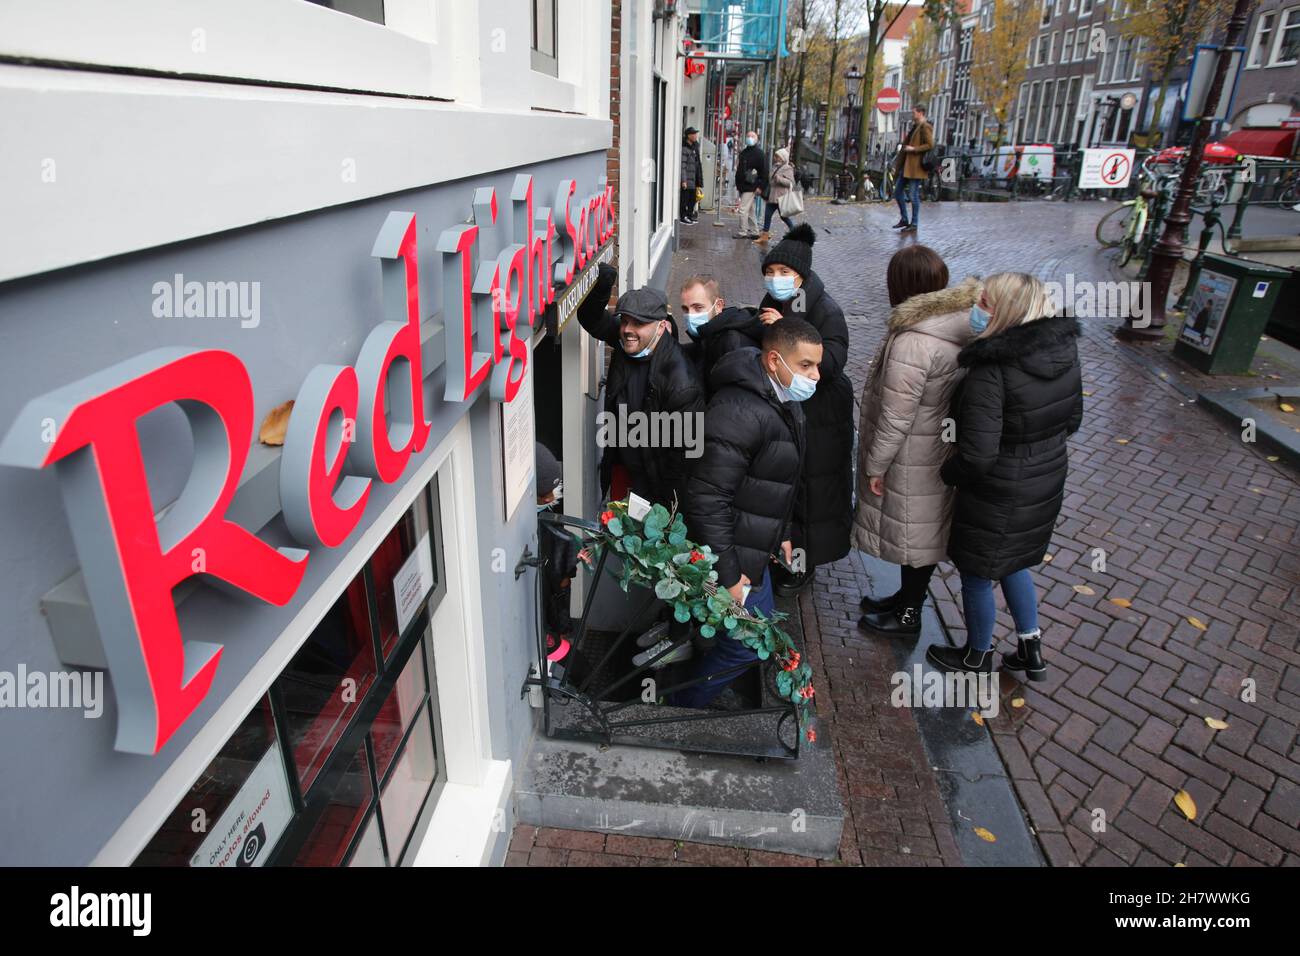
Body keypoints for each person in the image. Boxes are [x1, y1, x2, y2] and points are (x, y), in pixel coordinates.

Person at [927, 273, 1083, 677]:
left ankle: (977, 655)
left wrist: (948, 472)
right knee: (1015, 561)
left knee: (977, 571)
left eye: (984, 303)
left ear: (1004, 313)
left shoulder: (990, 370)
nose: (975, 310)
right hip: (1045, 478)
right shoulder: (1064, 352)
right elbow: (1073, 420)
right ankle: (1031, 647)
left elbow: (978, 455)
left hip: (997, 489)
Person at [674, 318, 820, 707]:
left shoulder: (783, 399)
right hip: (734, 556)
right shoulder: (738, 414)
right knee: (745, 647)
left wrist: (782, 531)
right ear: (774, 361)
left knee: (747, 634)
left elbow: (776, 477)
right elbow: (707, 498)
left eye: (816, 365)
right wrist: (728, 575)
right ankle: (682, 707)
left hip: (752, 548)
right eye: (806, 365)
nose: (815, 375)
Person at [852, 246, 981, 636]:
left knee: (915, 534)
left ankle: (909, 615)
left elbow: (896, 415)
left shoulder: (914, 341)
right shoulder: (952, 324)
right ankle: (905, 600)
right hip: (936, 449)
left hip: (913, 454)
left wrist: (876, 464)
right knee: (919, 530)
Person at [753, 224, 853, 595]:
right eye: (770, 272)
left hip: (820, 417)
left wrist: (789, 330)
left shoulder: (826, 310)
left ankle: (801, 568)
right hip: (785, 410)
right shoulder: (771, 302)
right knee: (787, 491)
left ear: (802, 276)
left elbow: (831, 363)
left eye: (784, 273)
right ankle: (783, 555)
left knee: (811, 495)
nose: (776, 279)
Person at [577, 263, 705, 510]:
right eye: (625, 321)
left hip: (653, 484)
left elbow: (685, 458)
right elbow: (591, 319)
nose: (628, 330)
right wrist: (603, 286)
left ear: (662, 326)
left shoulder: (682, 384)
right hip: (623, 466)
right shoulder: (627, 339)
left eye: (638, 323)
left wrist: (661, 511)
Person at [678, 274, 764, 393]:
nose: (690, 315)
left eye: (698, 307)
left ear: (718, 306)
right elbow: (701, 351)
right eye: (685, 309)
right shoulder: (712, 330)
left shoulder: (732, 343)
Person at [536, 442, 577, 663]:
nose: (551, 498)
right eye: (543, 495)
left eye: (553, 490)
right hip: (538, 623)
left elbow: (563, 581)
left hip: (551, 610)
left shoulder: (556, 529)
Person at [893, 104, 934, 233]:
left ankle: (914, 223)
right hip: (907, 167)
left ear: (921, 113)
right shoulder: (915, 126)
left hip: (915, 168)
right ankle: (904, 219)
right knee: (897, 192)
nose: (912, 114)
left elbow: (930, 144)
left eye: (914, 112)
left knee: (913, 195)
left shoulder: (925, 127)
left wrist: (914, 149)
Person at [755, 147, 797, 245]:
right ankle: (764, 236)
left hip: (781, 198)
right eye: (775, 156)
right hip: (772, 196)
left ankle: (795, 233)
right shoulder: (775, 166)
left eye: (777, 156)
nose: (775, 158)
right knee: (767, 216)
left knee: (784, 217)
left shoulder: (787, 168)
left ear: (782, 158)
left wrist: (779, 179)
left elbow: (791, 183)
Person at [734, 130, 769, 239]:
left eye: (752, 136)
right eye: (748, 135)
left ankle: (742, 231)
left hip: (751, 186)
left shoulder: (760, 154)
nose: (749, 138)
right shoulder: (744, 152)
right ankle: (754, 231)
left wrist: (760, 187)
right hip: (744, 186)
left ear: (757, 139)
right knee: (750, 210)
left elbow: (765, 172)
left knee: (743, 209)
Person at [680, 126, 704, 224]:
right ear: (688, 136)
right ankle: (683, 216)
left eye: (696, 134)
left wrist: (699, 179)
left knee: (693, 199)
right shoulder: (685, 149)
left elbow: (697, 164)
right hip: (687, 179)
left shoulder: (695, 147)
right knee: (685, 199)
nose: (695, 136)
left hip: (694, 179)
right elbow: (683, 166)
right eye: (693, 134)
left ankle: (689, 215)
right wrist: (684, 180)